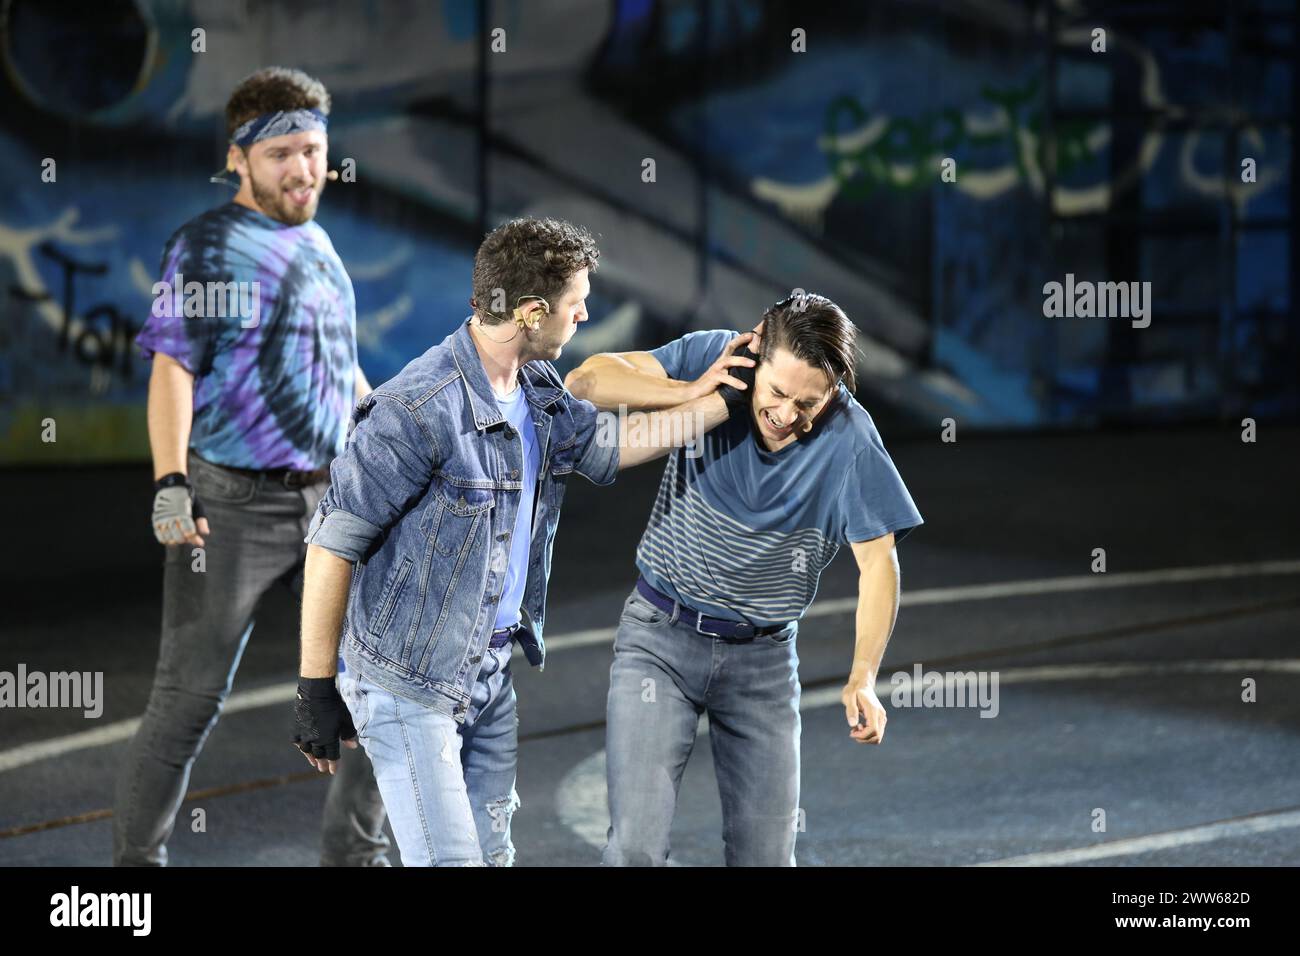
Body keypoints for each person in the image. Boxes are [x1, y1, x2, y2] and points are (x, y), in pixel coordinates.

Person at [291, 216, 748, 866]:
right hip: (409, 685)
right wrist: (315, 686)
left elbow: (608, 448)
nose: (585, 315)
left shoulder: (535, 390)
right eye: (575, 303)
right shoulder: (417, 409)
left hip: (489, 677)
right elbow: (332, 543)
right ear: (532, 312)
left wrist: (720, 402)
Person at [115, 66, 389, 867]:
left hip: (334, 506)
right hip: (233, 508)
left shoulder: (320, 245)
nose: (304, 170)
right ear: (238, 158)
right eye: (282, 154)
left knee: (385, 691)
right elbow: (173, 368)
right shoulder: (206, 247)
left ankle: (354, 857)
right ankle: (134, 879)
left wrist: (394, 444)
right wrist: (170, 481)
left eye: (314, 150)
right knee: (187, 704)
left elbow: (344, 373)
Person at [565, 292, 924, 866]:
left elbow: (878, 563)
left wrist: (862, 675)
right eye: (777, 393)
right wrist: (691, 392)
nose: (787, 415)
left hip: (762, 666)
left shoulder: (851, 438)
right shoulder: (719, 359)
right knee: (634, 850)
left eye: (810, 402)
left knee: (765, 859)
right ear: (756, 361)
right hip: (660, 643)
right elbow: (588, 380)